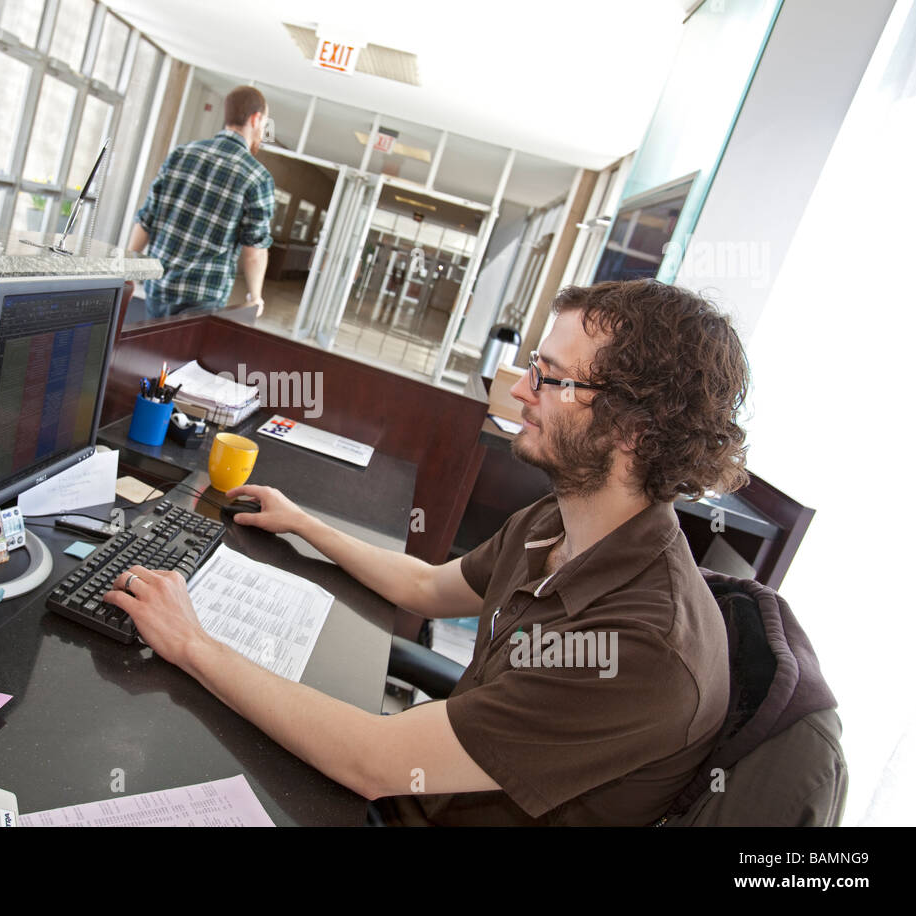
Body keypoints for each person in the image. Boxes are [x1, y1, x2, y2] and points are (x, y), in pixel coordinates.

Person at [104, 279, 750, 825]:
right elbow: (425, 588)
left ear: (636, 428)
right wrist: (305, 524)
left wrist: (192, 641)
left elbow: (373, 763)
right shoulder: (562, 515)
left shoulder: (643, 650)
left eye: (549, 378)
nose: (521, 392)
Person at [127, 85, 275, 319]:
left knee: (152, 352)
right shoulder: (256, 177)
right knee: (184, 356)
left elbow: (146, 219)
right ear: (256, 119)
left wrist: (127, 271)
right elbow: (254, 251)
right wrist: (255, 297)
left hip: (159, 286)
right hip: (203, 297)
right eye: (265, 124)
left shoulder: (181, 154)